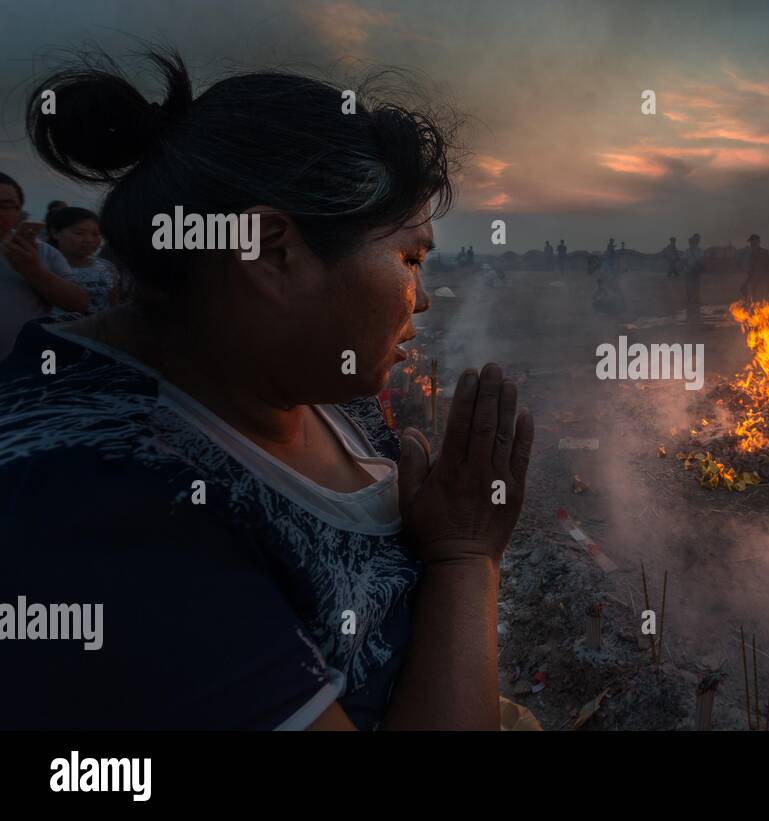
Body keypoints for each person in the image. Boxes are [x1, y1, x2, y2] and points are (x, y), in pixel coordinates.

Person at [0, 49, 533, 730]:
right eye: (410, 256)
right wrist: (466, 555)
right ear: (271, 252)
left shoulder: (308, 379)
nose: (421, 299)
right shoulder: (101, 512)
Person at [0, 172, 89, 358]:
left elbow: (79, 303)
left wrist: (33, 270)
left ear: (19, 213)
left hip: (20, 369)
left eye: (6, 206)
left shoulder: (42, 252)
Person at [45, 206, 117, 314]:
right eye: (79, 233)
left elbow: (114, 307)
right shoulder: (43, 267)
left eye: (95, 234)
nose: (89, 240)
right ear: (55, 233)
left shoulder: (106, 268)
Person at [740, 233, 769, 302]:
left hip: (763, 277)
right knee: (743, 289)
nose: (751, 244)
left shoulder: (763, 252)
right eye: (751, 242)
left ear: (757, 242)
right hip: (753, 276)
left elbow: (768, 265)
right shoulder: (752, 254)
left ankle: (761, 303)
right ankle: (750, 303)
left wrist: (767, 276)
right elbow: (752, 267)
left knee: (761, 293)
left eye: (753, 242)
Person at [683, 232, 705, 321]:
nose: (694, 243)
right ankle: (690, 302)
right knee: (689, 286)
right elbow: (684, 261)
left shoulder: (699, 251)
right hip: (689, 271)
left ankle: (695, 301)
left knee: (696, 286)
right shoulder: (688, 251)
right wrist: (689, 267)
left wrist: (697, 267)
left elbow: (702, 260)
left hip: (695, 271)